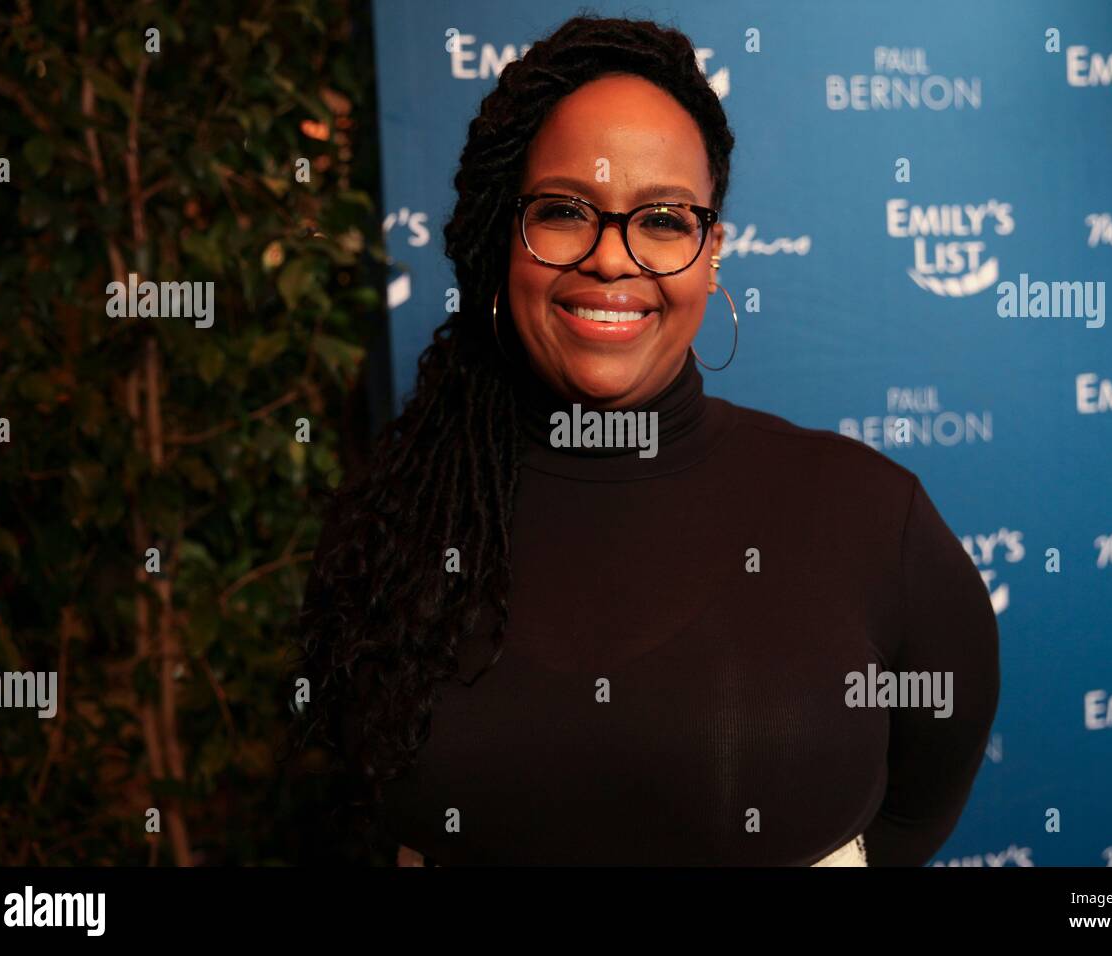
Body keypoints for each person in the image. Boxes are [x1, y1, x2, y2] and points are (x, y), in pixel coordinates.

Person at [298, 14, 1000, 866]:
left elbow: (920, 804)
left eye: (663, 220)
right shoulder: (402, 516)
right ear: (502, 239)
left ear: (711, 254)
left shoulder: (867, 512)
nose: (611, 260)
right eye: (564, 211)